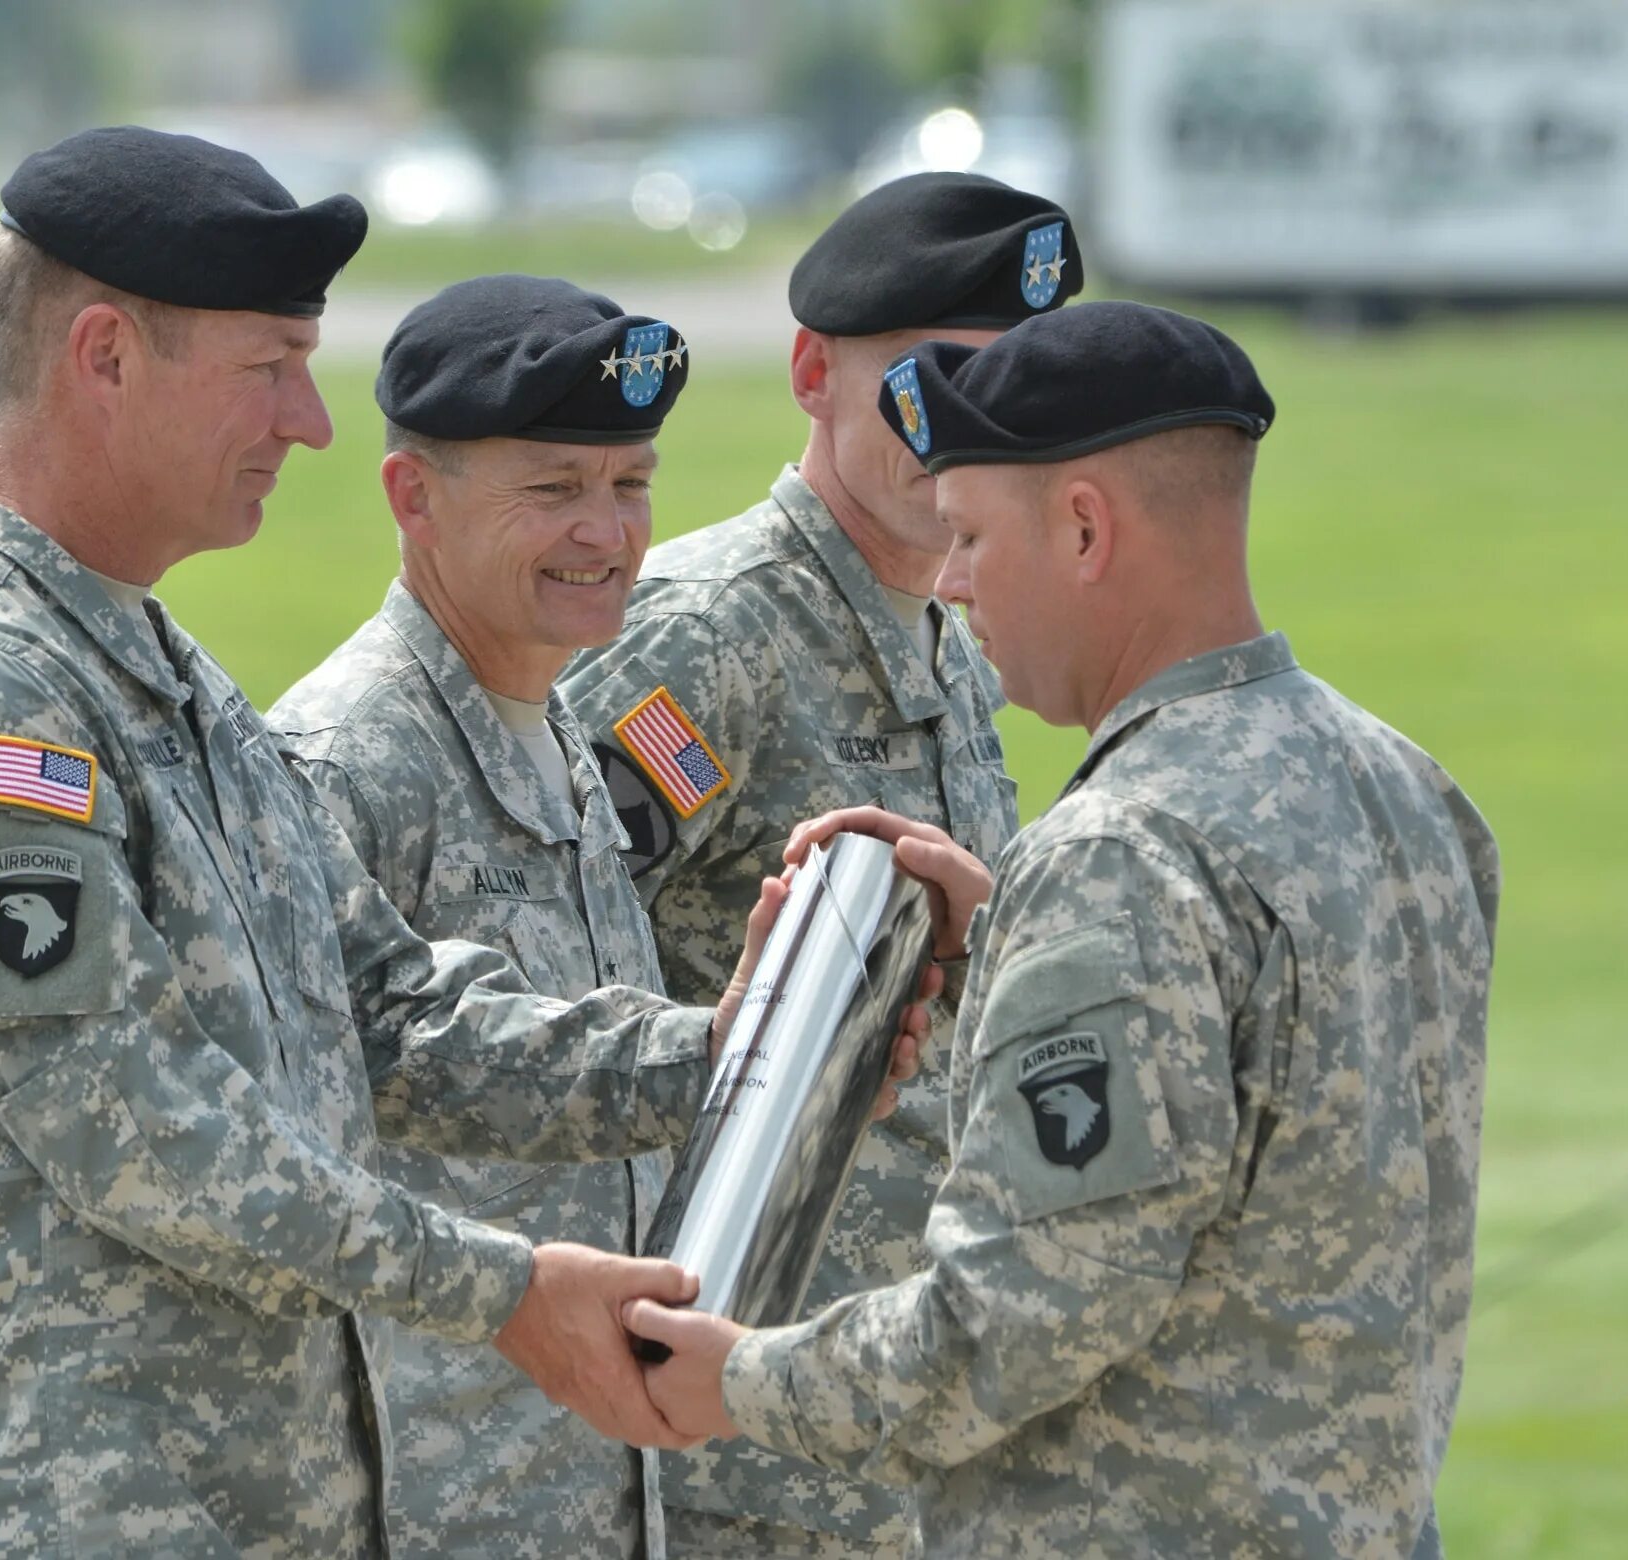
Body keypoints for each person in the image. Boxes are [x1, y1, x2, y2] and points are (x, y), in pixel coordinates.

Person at [0, 128, 885, 1559]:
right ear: (105, 356)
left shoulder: (165, 682)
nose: (309, 422)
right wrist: (505, 1289)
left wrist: (742, 1050)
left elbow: (394, 1017)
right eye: (269, 368)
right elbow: (143, 1133)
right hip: (42, 1510)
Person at [627, 302, 1502, 1559]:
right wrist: (1016, 950)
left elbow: (1018, 1317)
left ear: (1085, 526)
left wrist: (734, 1378)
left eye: (973, 533)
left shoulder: (1120, 855)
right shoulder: (1403, 785)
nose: (951, 579)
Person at [559, 171, 1081, 1558]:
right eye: (926, 385)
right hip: (742, 1439)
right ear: (812, 373)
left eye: (1008, 384)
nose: (965, 427)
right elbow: (544, 966)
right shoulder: (708, 639)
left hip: (891, 1415)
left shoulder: (947, 635)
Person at [269, 275, 691, 1558]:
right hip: (440, 1503)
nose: (606, 533)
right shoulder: (345, 762)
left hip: (604, 1488)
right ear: (414, 498)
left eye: (630, 485)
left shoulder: (563, 720)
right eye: (554, 490)